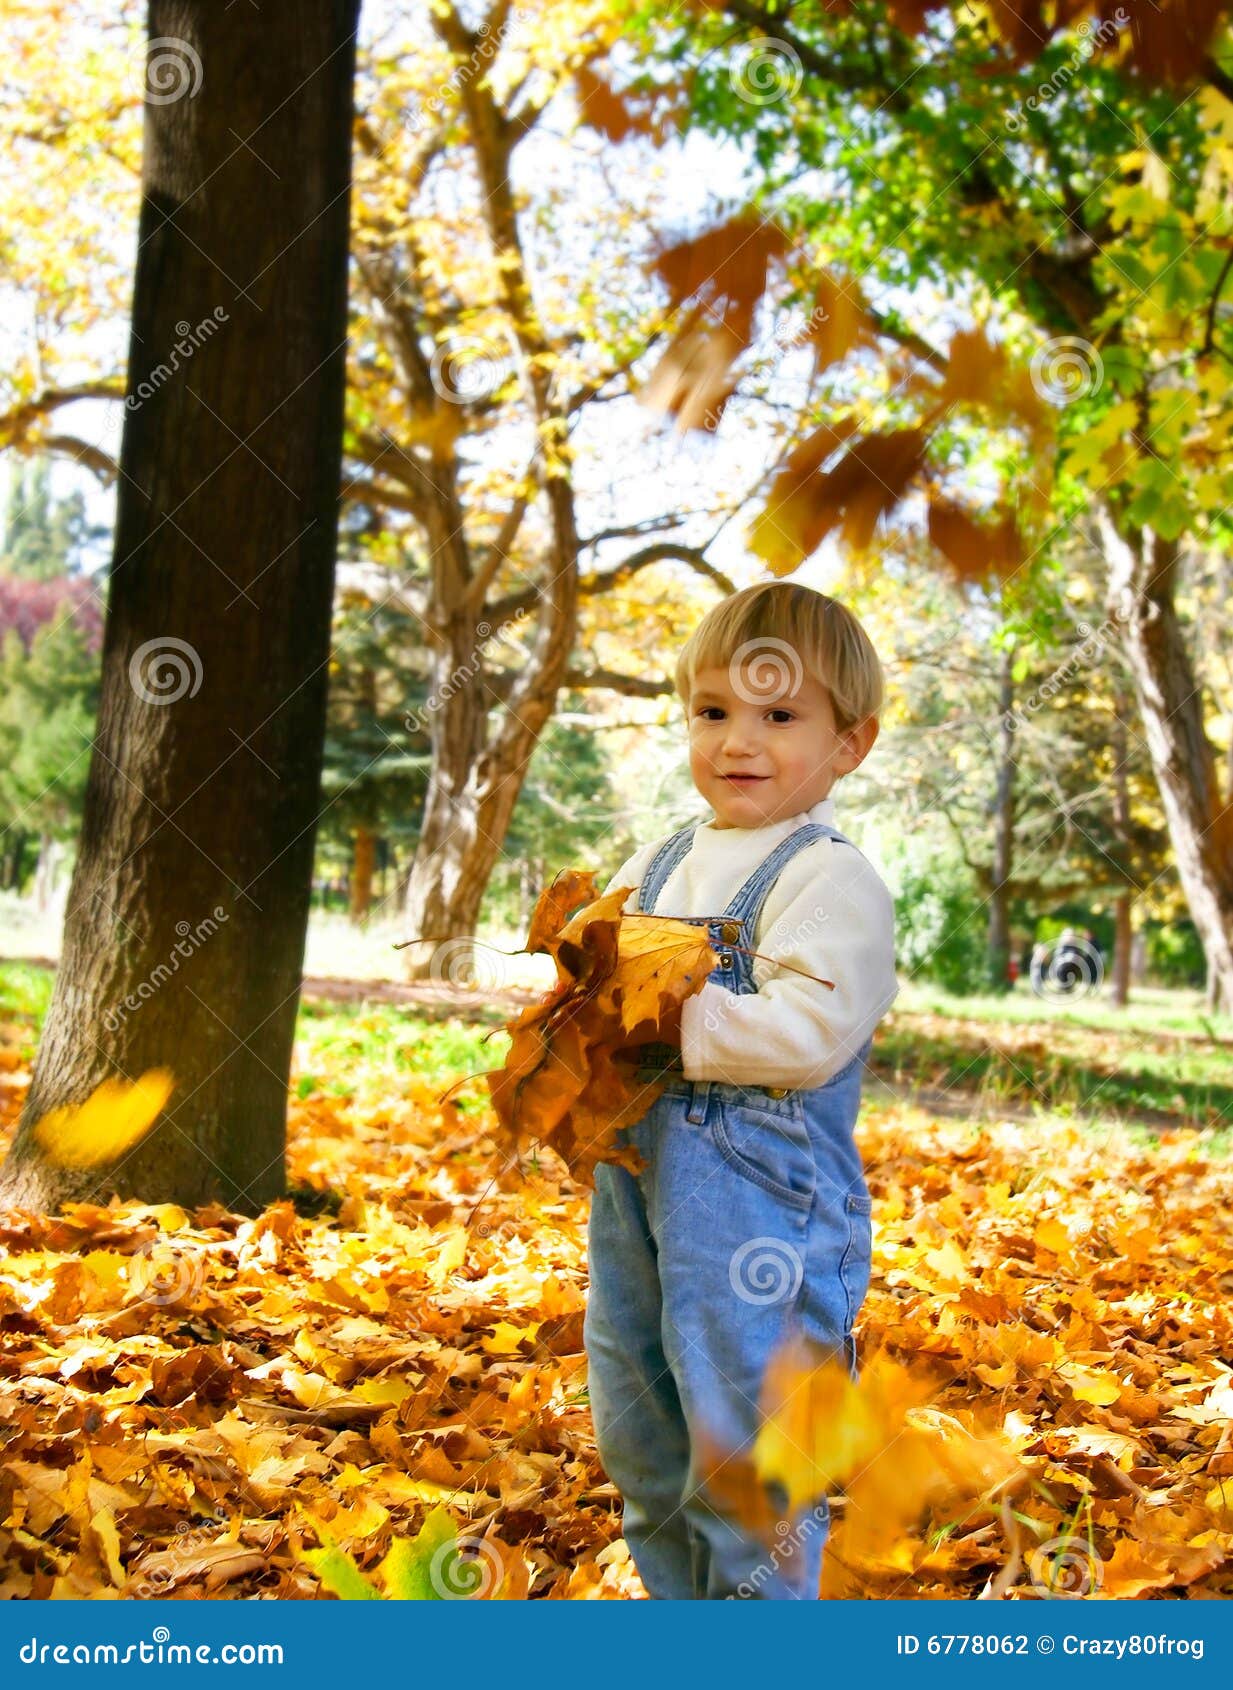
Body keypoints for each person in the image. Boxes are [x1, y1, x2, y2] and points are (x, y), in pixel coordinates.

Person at [582, 581, 899, 1600]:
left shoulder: (830, 879)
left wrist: (678, 1017)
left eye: (778, 715)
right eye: (712, 711)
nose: (737, 740)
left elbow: (811, 1031)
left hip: (759, 1199)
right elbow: (605, 960)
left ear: (849, 745)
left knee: (743, 1440)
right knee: (639, 1412)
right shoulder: (662, 857)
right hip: (639, 1179)